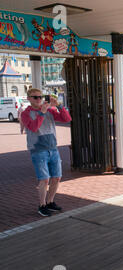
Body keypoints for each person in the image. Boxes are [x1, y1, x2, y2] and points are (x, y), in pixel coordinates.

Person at [21, 88, 72, 217]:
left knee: (57, 177)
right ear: (29, 99)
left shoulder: (50, 110)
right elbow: (33, 127)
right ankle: (42, 205)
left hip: (53, 148)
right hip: (38, 150)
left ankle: (50, 202)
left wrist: (59, 106)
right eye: (35, 97)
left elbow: (67, 119)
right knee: (44, 179)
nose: (39, 99)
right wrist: (42, 113)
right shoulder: (26, 113)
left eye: (40, 96)